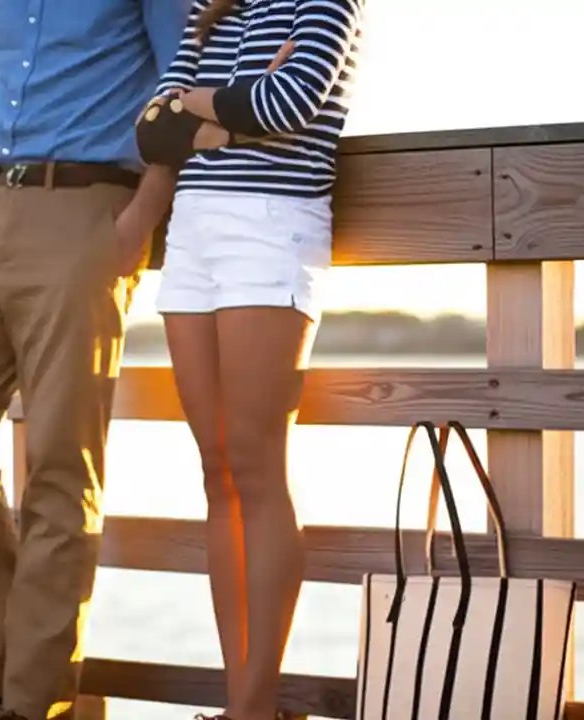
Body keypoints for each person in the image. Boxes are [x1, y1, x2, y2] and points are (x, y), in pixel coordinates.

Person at [0, 2, 189, 719]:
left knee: (62, 462)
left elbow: (184, 83)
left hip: (89, 206)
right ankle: (1, 678)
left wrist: (135, 227)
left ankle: (30, 703)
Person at [140, 1, 365, 719]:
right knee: (216, 468)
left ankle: (253, 707)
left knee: (256, 461)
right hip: (193, 238)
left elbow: (289, 99)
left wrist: (197, 110)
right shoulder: (208, 11)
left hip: (272, 226)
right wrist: (227, 117)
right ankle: (244, 703)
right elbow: (152, 133)